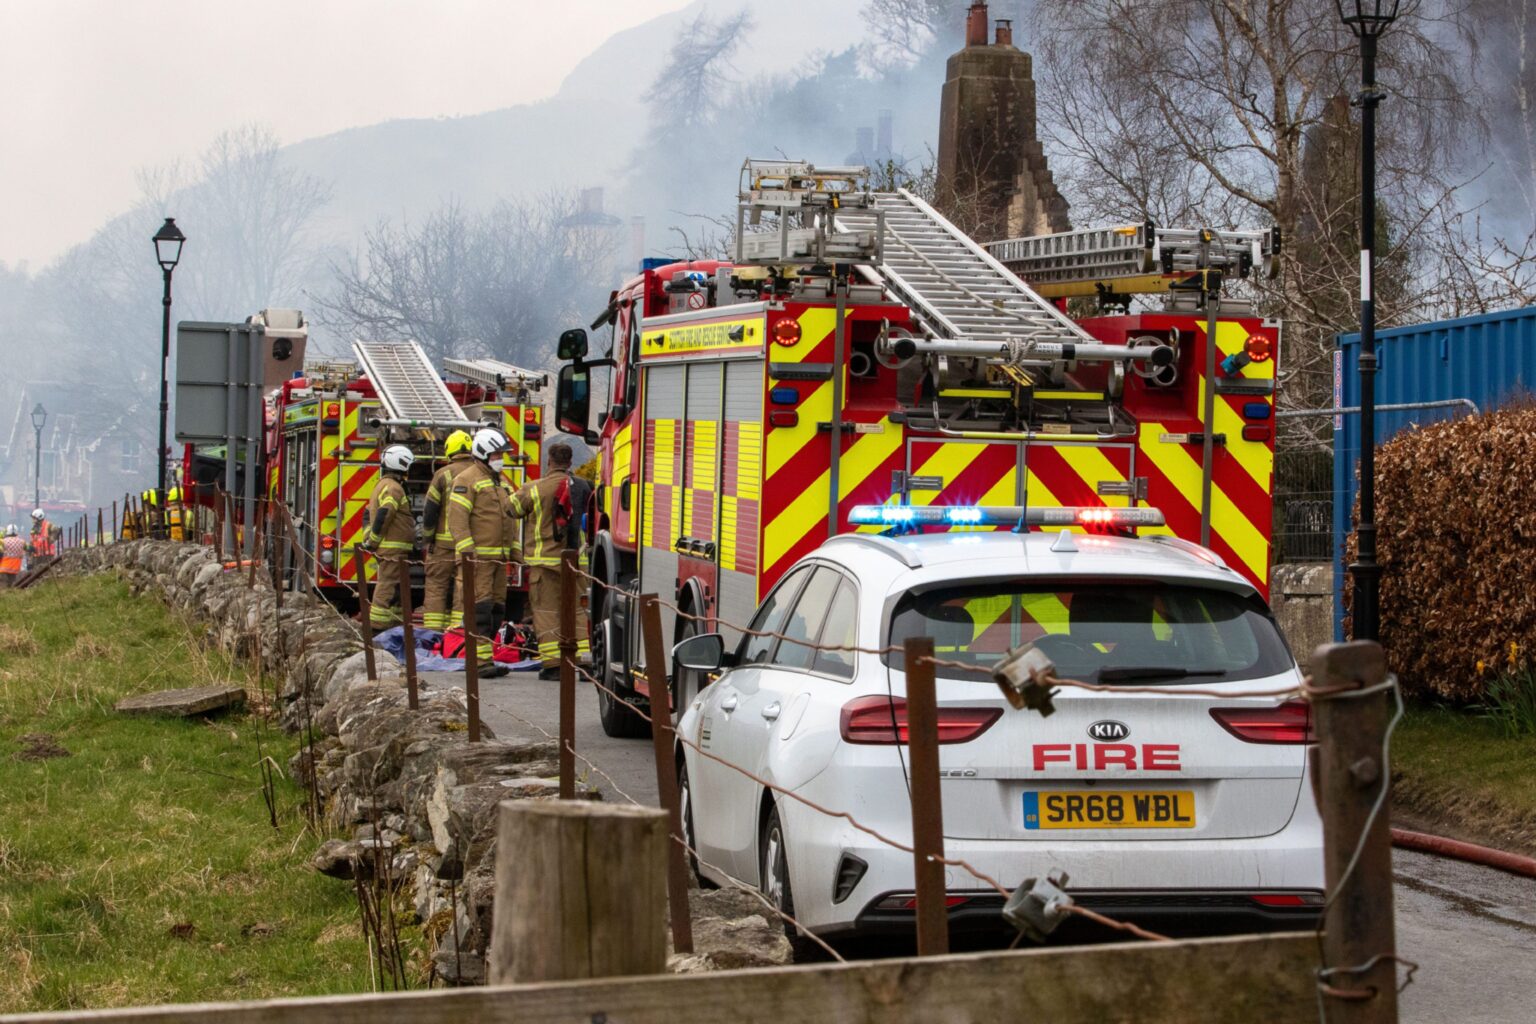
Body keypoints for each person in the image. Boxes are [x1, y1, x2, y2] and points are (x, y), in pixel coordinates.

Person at [508, 441, 592, 680]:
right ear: (570, 462)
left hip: (545, 563)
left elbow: (511, 509)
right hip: (578, 561)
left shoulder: (535, 488)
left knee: (546, 611)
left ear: (550, 461)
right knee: (578, 610)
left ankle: (555, 665)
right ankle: (585, 663)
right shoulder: (584, 487)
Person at [446, 428, 514, 679]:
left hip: (498, 559)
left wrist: (514, 551)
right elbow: (457, 519)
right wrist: (467, 551)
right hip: (479, 560)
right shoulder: (467, 479)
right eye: (497, 454)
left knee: (496, 610)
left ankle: (486, 658)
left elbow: (509, 518)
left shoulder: (500, 481)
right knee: (481, 610)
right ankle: (479, 663)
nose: (501, 458)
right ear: (484, 453)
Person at [360, 445, 417, 635]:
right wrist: (373, 541)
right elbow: (384, 514)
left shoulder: (383, 484)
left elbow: (368, 514)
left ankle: (395, 626)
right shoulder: (394, 488)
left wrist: (370, 539)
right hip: (392, 548)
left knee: (396, 588)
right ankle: (375, 629)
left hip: (392, 548)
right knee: (387, 586)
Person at [419, 430, 473, 632]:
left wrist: (427, 538)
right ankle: (458, 634)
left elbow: (430, 509)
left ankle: (431, 634)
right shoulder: (479, 473)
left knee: (436, 587)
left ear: (450, 449)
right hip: (468, 545)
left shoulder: (443, 474)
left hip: (442, 545)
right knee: (463, 588)